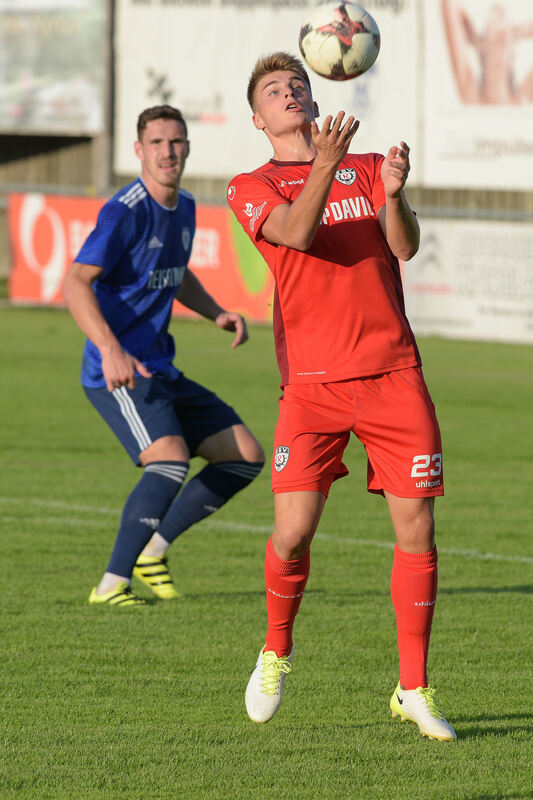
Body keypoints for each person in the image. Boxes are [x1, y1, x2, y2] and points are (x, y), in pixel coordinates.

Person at [227, 53, 456, 740]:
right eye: (274, 89)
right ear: (258, 118)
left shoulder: (363, 166)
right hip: (313, 387)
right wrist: (327, 160)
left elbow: (404, 248)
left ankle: (412, 687)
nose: (290, 92)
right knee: (292, 534)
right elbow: (296, 233)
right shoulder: (251, 184)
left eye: (296, 82)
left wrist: (392, 194)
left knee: (416, 530)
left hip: (393, 376)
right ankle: (275, 650)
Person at [62, 105, 264, 608]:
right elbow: (74, 282)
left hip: (162, 365)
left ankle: (155, 551)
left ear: (188, 148)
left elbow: (176, 274)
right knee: (169, 460)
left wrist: (215, 312)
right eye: (156, 143)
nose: (167, 151)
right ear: (139, 150)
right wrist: (111, 350)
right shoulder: (125, 211)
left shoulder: (187, 207)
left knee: (243, 455)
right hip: (119, 369)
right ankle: (111, 585)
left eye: (176, 142)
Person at [442, 0, 533, 104]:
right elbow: (449, 4)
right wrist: (474, 38)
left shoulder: (522, 98)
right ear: (483, 45)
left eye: (508, 30)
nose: (503, 33)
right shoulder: (471, 94)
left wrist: (521, 31)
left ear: (513, 52)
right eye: (497, 16)